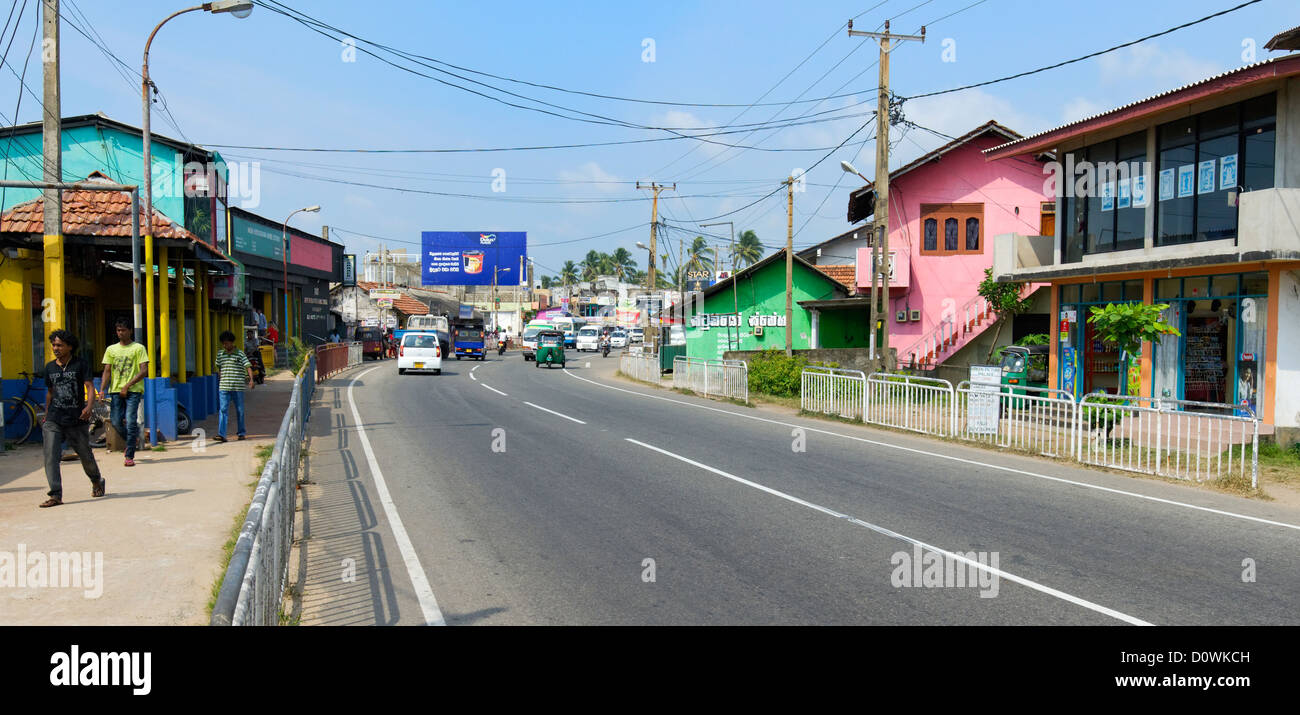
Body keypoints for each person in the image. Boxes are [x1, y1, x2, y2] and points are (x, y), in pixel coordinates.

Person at [40, 330, 104, 508]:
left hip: (76, 418)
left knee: (85, 455)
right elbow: (50, 392)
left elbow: (90, 387)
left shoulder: (80, 364)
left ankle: (96, 480)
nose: (55, 348)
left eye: (59, 345)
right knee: (51, 455)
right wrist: (46, 415)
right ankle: (55, 494)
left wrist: (89, 407)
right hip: (54, 418)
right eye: (53, 344)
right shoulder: (49, 367)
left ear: (70, 347)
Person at [100, 318, 149, 467]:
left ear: (130, 331)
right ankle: (131, 439)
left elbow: (144, 370)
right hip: (115, 390)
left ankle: (129, 455)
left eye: (123, 330)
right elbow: (107, 370)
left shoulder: (138, 348)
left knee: (131, 419)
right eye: (118, 330)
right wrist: (102, 389)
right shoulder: (111, 349)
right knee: (115, 421)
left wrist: (127, 385)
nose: (120, 333)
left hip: (133, 390)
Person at [214, 330, 254, 443]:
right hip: (224, 387)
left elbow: (248, 366)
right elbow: (219, 367)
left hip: (238, 387)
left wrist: (251, 380)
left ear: (232, 342)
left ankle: (241, 433)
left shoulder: (240, 354)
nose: (225, 345)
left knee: (240, 410)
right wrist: (221, 378)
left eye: (227, 343)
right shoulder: (220, 354)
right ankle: (221, 434)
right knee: (223, 409)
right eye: (223, 343)